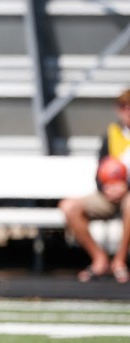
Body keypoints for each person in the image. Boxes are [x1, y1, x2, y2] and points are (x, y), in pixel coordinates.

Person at [58, 89, 130, 284]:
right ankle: (99, 259)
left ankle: (120, 261)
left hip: (128, 196)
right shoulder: (112, 134)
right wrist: (106, 188)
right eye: (123, 107)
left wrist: (126, 187)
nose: (127, 111)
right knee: (69, 206)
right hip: (109, 195)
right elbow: (101, 169)